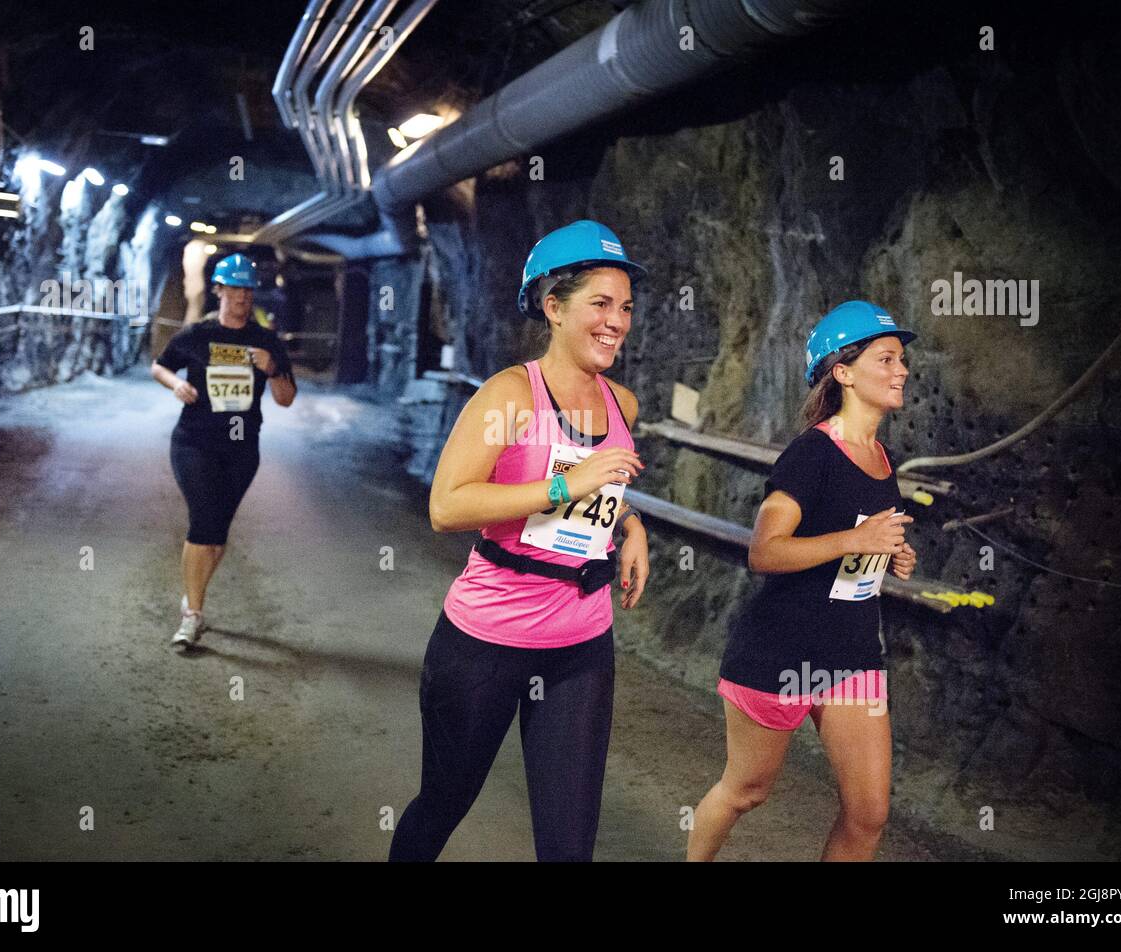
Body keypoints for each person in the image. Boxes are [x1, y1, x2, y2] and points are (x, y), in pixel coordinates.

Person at [389, 220, 651, 862]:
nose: (616, 321)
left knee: (568, 845)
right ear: (553, 306)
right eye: (600, 303)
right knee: (442, 805)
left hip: (580, 645)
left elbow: (604, 489)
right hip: (484, 642)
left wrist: (631, 524)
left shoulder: (623, 403)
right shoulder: (510, 394)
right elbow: (448, 504)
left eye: (624, 308)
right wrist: (564, 488)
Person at [688, 300, 919, 861]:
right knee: (747, 791)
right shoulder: (810, 454)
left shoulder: (882, 458)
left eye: (902, 360)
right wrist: (854, 543)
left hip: (852, 653)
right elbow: (764, 551)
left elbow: (852, 540)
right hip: (780, 652)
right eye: (886, 359)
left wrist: (889, 556)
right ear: (843, 372)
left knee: (869, 814)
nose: (902, 370)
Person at [150, 253, 297, 648]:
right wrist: (175, 385)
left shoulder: (266, 342)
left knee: (217, 536)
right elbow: (159, 366)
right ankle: (192, 616)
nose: (241, 299)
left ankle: (192, 595)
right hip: (194, 443)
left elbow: (285, 399)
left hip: (242, 449)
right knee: (203, 523)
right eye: (233, 290)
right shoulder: (197, 335)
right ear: (218, 291)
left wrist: (272, 369)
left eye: (247, 292)